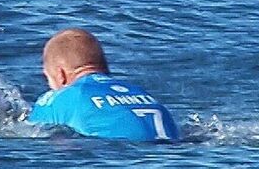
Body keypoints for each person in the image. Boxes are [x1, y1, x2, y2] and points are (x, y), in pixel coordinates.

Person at [27, 28, 180, 141]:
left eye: (48, 77)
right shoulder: (141, 93)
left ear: (61, 75)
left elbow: (30, 133)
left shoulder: (62, 98)